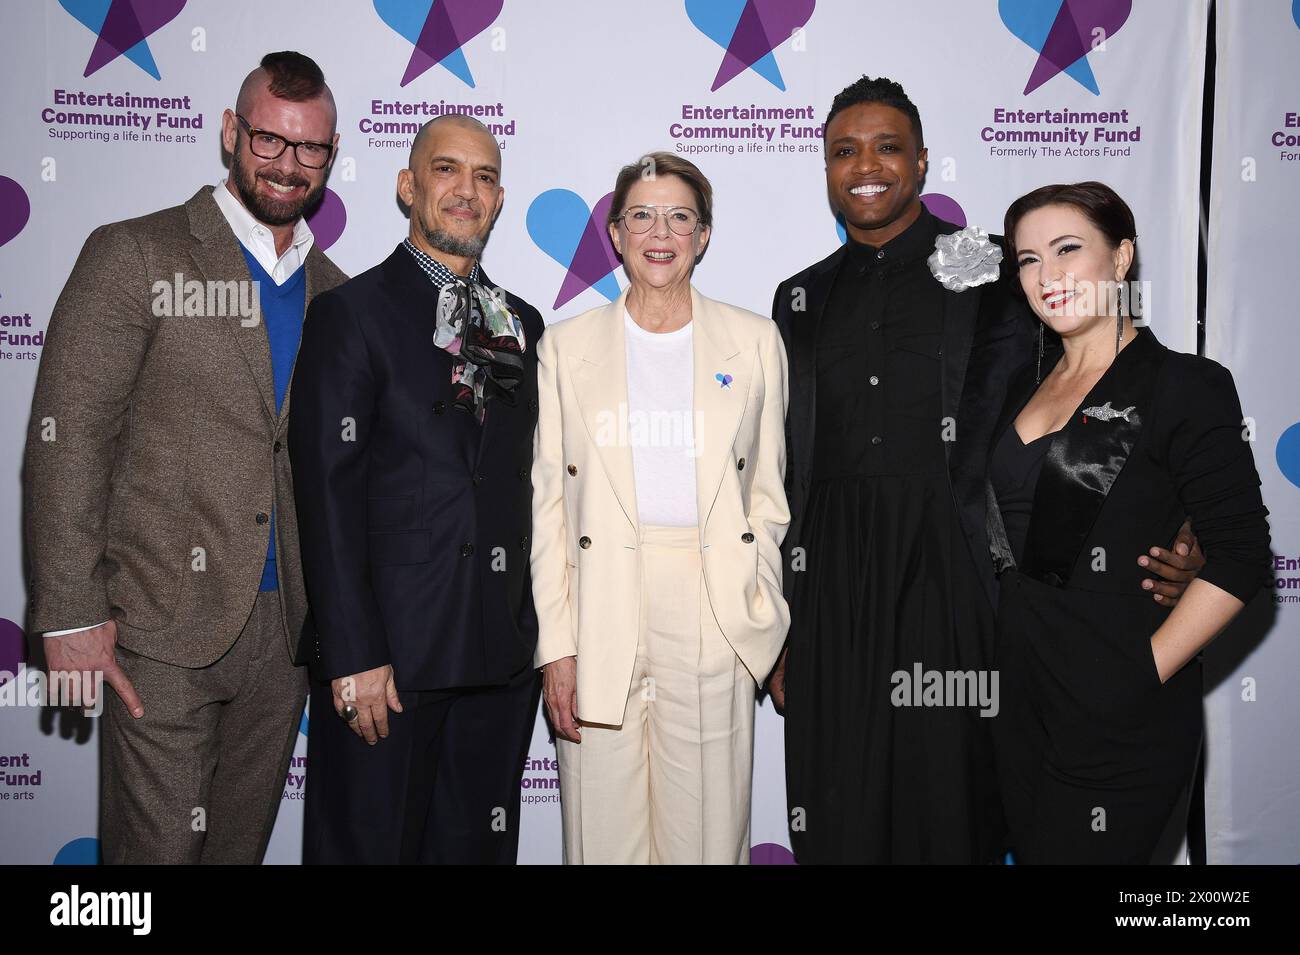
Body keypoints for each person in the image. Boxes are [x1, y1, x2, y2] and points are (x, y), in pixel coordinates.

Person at [768, 76, 1205, 864]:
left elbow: (1106, 385)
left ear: (925, 161)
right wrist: (777, 621)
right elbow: (780, 467)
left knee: (954, 805)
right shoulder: (797, 297)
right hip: (829, 587)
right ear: (826, 167)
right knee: (836, 806)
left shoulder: (1002, 270)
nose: (866, 164)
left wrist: (1182, 519)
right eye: (844, 150)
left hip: (964, 580)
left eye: (888, 146)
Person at [24, 52, 347, 863]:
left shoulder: (337, 294)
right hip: (157, 629)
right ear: (231, 133)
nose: (287, 163)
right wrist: (69, 615)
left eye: (310, 148)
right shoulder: (135, 254)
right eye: (270, 139)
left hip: (284, 639)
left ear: (331, 158)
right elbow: (68, 440)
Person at [988, 182, 1270, 864]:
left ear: (1121, 259)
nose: (1046, 275)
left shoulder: (1182, 384)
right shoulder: (1020, 382)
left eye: (1067, 249)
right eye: (1027, 259)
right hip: (1017, 701)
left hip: (1119, 714)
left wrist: (1139, 675)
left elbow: (1239, 554)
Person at [290, 114, 543, 864]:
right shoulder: (350, 314)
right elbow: (326, 493)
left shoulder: (522, 324)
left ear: (498, 202)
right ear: (408, 186)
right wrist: (354, 651)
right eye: (447, 170)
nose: (467, 189)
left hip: (498, 660)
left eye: (485, 176)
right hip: (386, 665)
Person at [531, 152, 790, 864]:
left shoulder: (757, 340)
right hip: (600, 602)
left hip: (712, 605)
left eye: (680, 216)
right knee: (600, 835)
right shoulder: (564, 348)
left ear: (703, 235)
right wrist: (557, 644)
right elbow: (548, 508)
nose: (660, 232)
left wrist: (754, 601)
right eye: (641, 215)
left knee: (707, 838)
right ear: (615, 232)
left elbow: (767, 497)